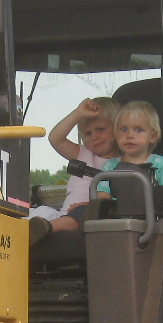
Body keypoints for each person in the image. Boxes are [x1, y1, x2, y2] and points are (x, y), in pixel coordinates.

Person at [28, 97, 118, 242]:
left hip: (90, 216)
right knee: (30, 213)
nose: (94, 137)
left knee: (82, 214)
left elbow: (116, 202)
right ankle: (30, 231)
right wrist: (78, 114)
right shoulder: (82, 154)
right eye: (87, 133)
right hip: (62, 215)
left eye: (100, 129)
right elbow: (55, 138)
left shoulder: (123, 165)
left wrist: (88, 205)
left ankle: (43, 230)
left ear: (118, 128)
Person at [95, 100, 163, 212]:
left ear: (153, 136)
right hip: (118, 219)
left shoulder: (160, 163)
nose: (129, 135)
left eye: (138, 130)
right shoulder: (110, 166)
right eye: (124, 130)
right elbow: (102, 196)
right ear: (115, 134)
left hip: (154, 219)